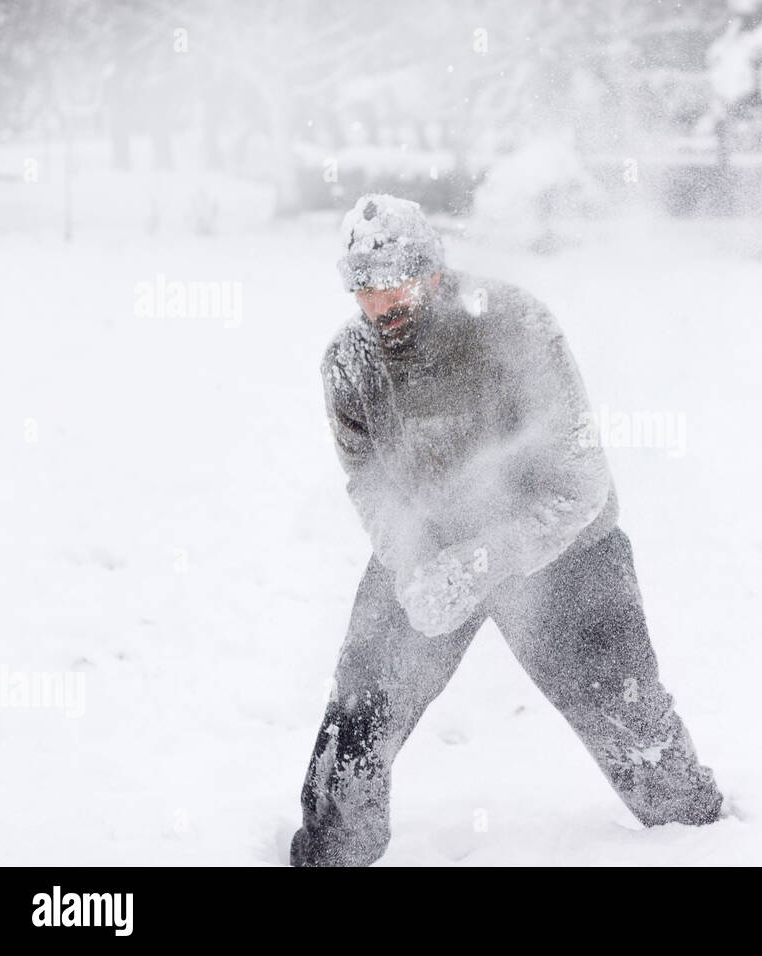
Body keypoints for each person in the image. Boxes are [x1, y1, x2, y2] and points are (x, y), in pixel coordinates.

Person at [291, 193, 724, 866]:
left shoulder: (515, 326)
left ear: (432, 269)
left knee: (646, 751)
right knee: (356, 720)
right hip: (428, 555)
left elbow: (581, 483)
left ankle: (711, 841)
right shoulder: (349, 364)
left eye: (393, 278)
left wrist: (482, 561)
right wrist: (412, 565)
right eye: (361, 286)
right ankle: (335, 851)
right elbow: (370, 485)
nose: (378, 301)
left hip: (565, 550)